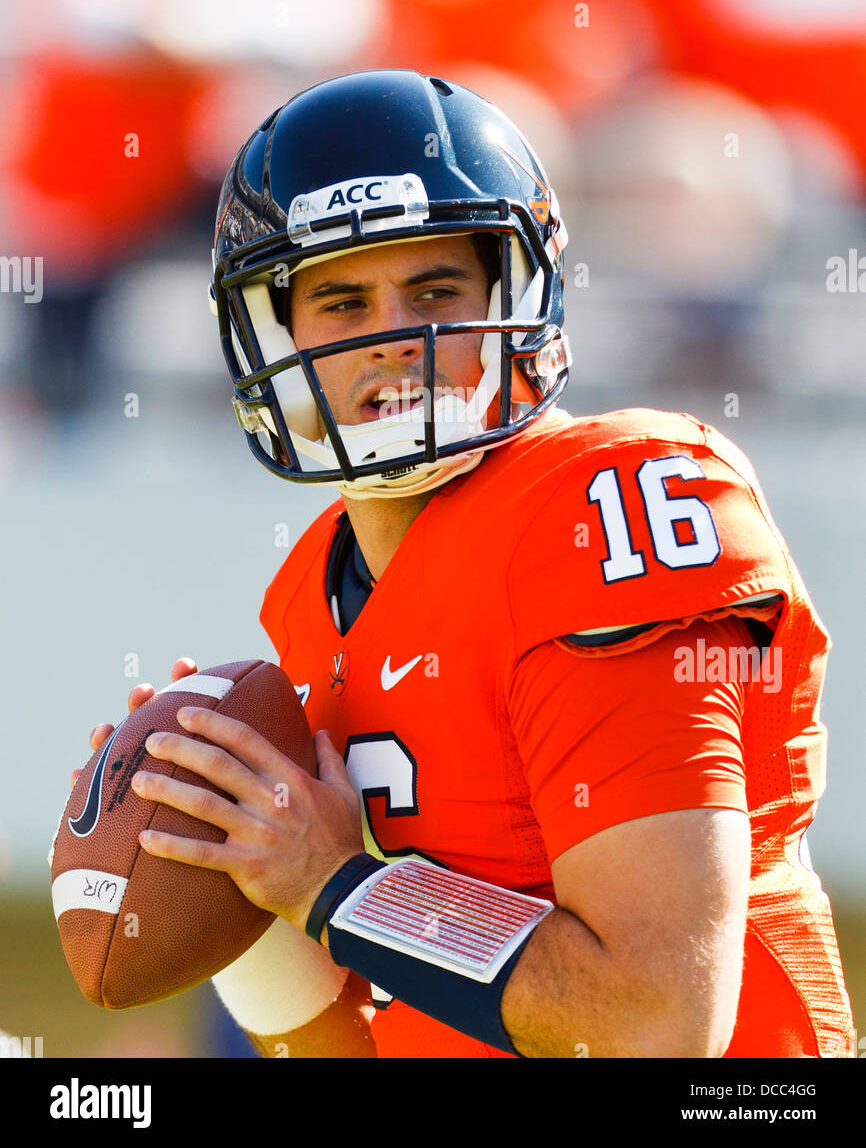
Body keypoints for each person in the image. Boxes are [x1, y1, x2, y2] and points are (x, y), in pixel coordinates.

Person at [75, 70, 853, 1058]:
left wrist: (329, 882)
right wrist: (231, 869)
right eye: (344, 302)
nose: (393, 340)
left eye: (433, 290)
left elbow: (655, 1022)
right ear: (275, 335)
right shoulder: (310, 585)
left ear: (515, 298)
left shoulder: (612, 503)